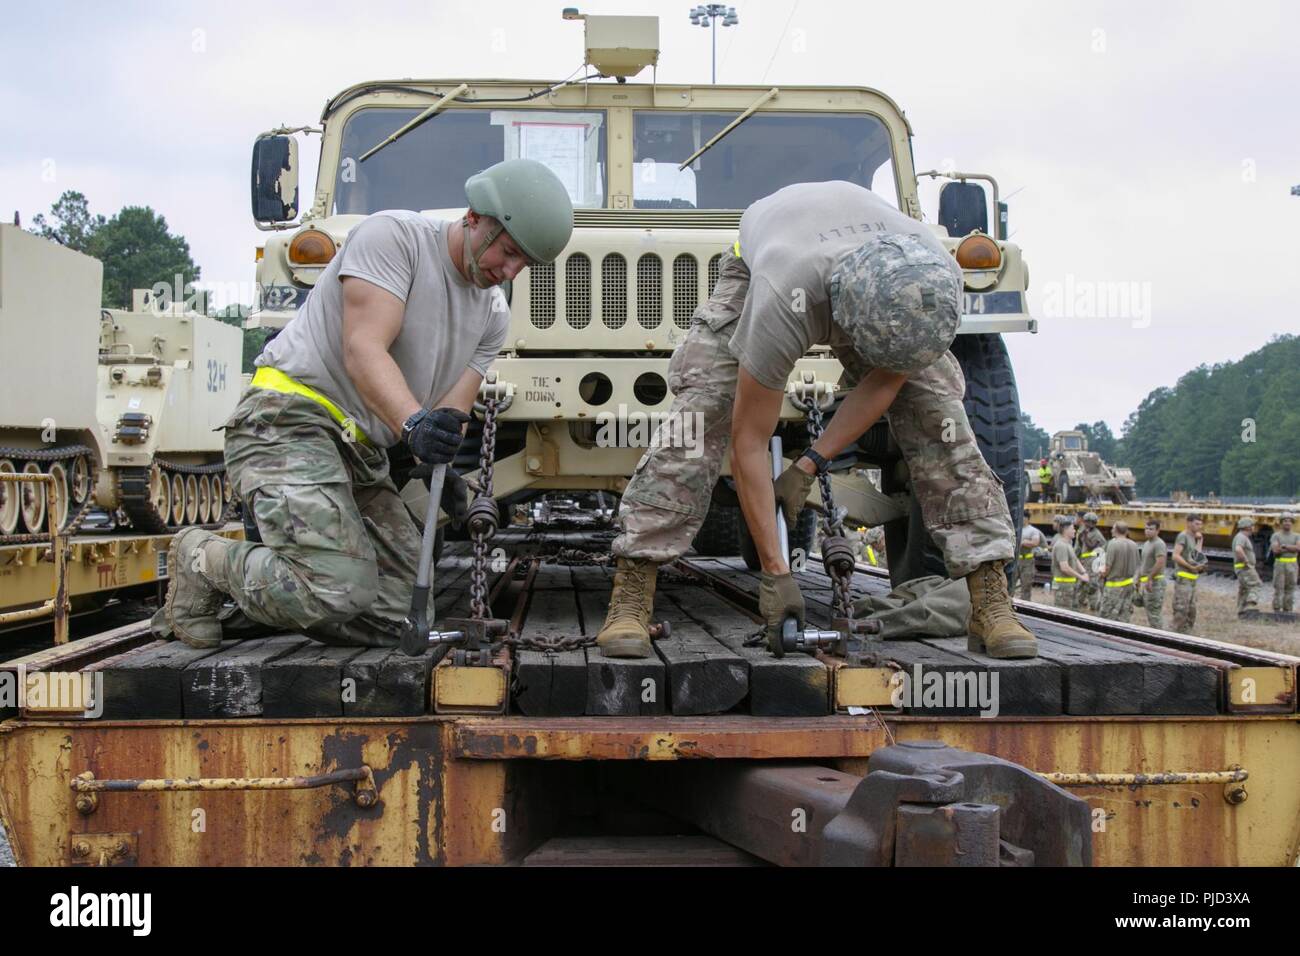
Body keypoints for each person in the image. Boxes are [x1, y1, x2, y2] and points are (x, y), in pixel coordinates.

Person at [594, 181, 1038, 660]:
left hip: (876, 270)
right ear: (845, 323)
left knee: (939, 416)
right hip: (772, 259)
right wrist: (775, 573)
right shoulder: (783, 295)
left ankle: (990, 599)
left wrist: (806, 466)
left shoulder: (932, 281)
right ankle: (633, 591)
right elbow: (748, 440)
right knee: (699, 413)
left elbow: (886, 382)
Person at [158, 159, 574, 648]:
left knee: (397, 616)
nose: (509, 270)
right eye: (506, 251)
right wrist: (414, 423)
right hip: (289, 418)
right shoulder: (394, 238)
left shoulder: (492, 316)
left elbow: (450, 413)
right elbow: (363, 350)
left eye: (523, 263)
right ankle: (200, 557)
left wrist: (439, 461)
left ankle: (292, 591)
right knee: (338, 587)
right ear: (475, 217)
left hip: (361, 452)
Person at [1171, 513, 1209, 633]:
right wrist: (1189, 567)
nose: (1199, 527)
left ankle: (1186, 634)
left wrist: (1200, 540)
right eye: (1196, 524)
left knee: (1191, 610)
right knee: (1181, 609)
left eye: (1200, 524)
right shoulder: (1183, 536)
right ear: (1188, 523)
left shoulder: (1193, 537)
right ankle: (1175, 634)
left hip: (1192, 579)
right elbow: (1175, 556)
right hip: (1184, 578)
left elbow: (1196, 555)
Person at [1099, 521, 1140, 622]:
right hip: (1129, 586)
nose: (1111, 530)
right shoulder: (1134, 545)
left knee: (1107, 617)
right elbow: (1138, 567)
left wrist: (1102, 574)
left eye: (1113, 528)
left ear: (1116, 530)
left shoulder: (1113, 544)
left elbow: (1108, 566)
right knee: (1124, 617)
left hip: (1114, 587)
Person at [1051, 516, 1090, 609]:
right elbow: (1064, 568)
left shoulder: (1068, 544)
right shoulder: (1061, 546)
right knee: (1063, 614)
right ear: (1065, 530)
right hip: (1063, 588)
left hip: (1069, 587)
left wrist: (1084, 572)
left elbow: (1075, 559)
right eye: (1072, 529)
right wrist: (1081, 577)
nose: (1074, 531)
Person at [1138, 519, 1168, 629]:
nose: (1147, 531)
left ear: (1157, 530)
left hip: (1155, 582)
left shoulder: (1159, 544)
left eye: (1151, 529)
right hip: (1147, 581)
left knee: (1154, 613)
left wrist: (1150, 578)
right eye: (1146, 528)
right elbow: (1143, 563)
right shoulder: (1147, 543)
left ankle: (1159, 636)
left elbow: (1160, 562)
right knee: (1149, 609)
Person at [1075, 511, 1106, 614]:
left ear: (1094, 523)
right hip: (1084, 562)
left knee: (1092, 585)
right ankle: (1080, 603)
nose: (1087, 524)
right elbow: (1080, 545)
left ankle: (1094, 607)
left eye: (1090, 522)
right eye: (1086, 521)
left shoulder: (1097, 534)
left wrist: (1085, 536)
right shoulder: (1085, 531)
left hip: (1093, 563)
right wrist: (1081, 536)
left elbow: (1091, 546)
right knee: (1081, 584)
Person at [1232, 516, 1263, 617]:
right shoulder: (1242, 537)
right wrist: (1246, 561)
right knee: (1256, 584)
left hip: (1240, 567)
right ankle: (1250, 606)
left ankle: (1241, 611)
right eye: (1252, 525)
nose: (1254, 527)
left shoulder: (1240, 537)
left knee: (1244, 589)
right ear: (1248, 527)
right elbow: (1238, 549)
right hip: (1244, 567)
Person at [1270, 513, 1298, 614]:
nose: (1287, 523)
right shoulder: (1276, 535)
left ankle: (1288, 610)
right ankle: (1277, 610)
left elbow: (1298, 548)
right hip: (1280, 566)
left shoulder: (1297, 536)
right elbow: (1275, 550)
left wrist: (1284, 546)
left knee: (1290, 588)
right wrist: (1292, 548)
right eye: (1285, 521)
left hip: (1293, 566)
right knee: (1278, 588)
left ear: (1292, 523)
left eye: (1289, 521)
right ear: (1281, 523)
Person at [1017, 515, 1044, 601]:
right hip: (1016, 560)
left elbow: (1035, 542)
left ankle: (1025, 604)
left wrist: (1023, 543)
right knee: (1010, 584)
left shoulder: (1033, 530)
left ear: (1028, 519)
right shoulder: (1016, 528)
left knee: (1026, 585)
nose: (1022, 519)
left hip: (1027, 561)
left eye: (1024, 517)